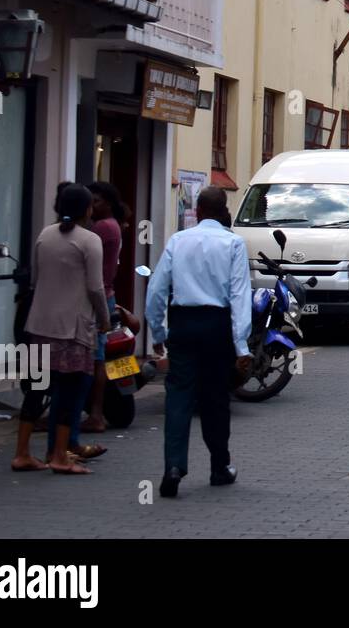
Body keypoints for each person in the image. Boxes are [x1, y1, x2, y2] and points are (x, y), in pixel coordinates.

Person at [145, 186, 253, 498]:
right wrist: (241, 345)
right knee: (215, 399)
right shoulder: (233, 243)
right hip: (217, 327)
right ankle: (220, 466)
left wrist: (158, 334)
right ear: (223, 211)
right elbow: (239, 295)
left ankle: (173, 467)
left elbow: (156, 290)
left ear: (198, 211)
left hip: (182, 324)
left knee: (178, 397)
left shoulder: (178, 240)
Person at [12, 184, 110, 475]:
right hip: (72, 327)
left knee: (37, 389)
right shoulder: (90, 240)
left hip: (40, 324)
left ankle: (21, 453)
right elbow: (95, 287)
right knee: (70, 390)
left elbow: (37, 279)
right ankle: (59, 456)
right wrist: (104, 319)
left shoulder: (45, 234)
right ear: (87, 209)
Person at [79, 181, 138, 440]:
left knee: (97, 358)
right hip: (106, 294)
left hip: (98, 297)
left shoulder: (102, 227)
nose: (93, 205)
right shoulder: (112, 225)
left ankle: (95, 413)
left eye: (98, 201)